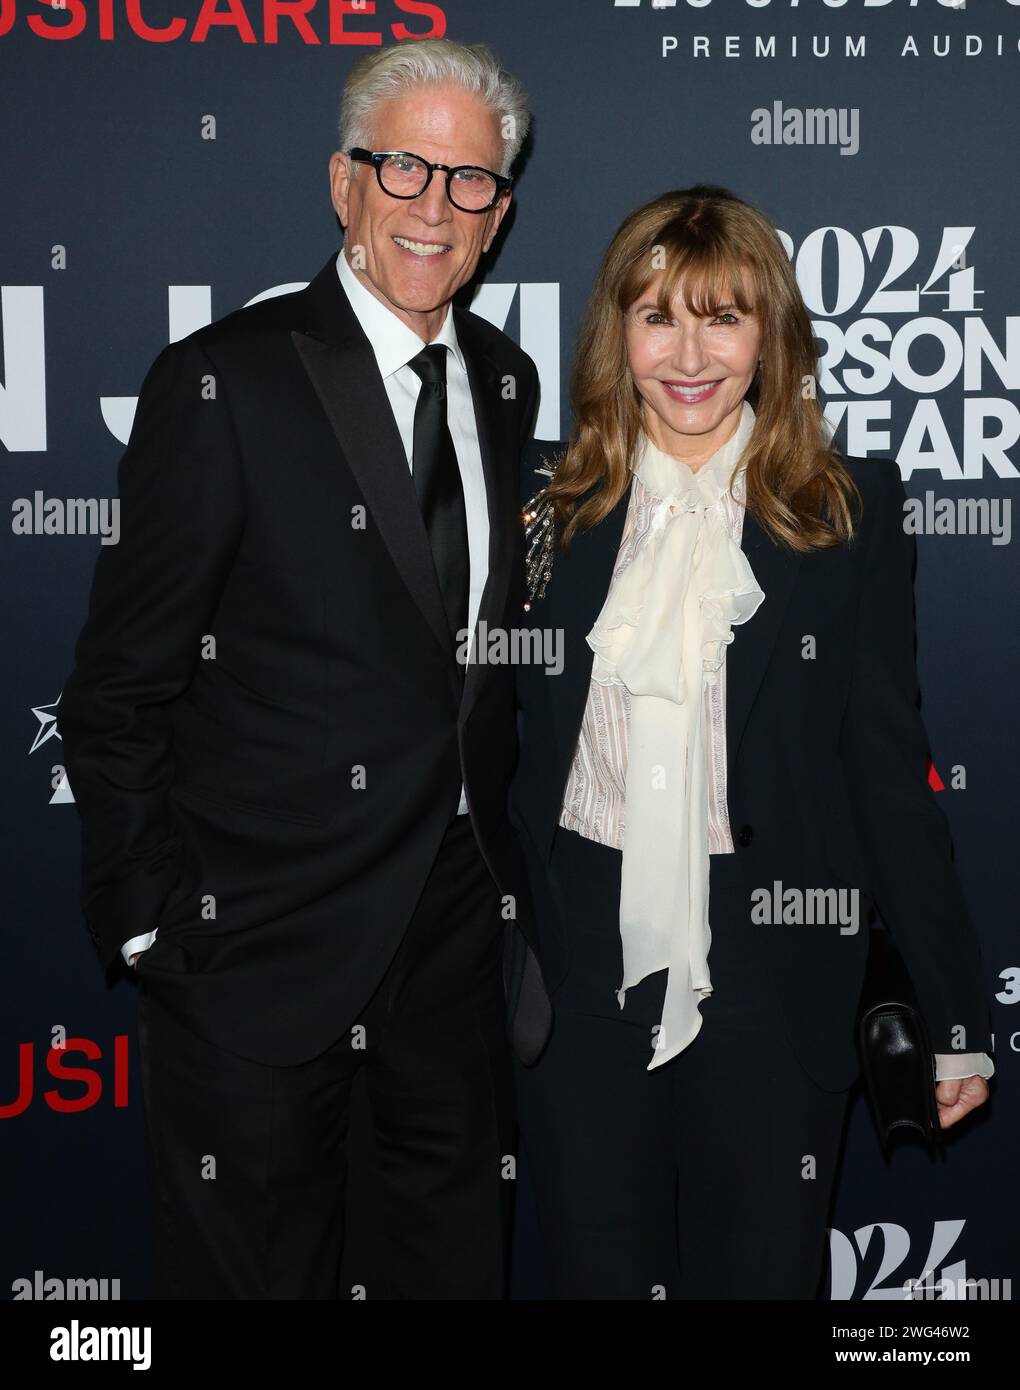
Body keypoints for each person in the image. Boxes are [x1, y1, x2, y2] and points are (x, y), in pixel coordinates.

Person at [58, 37, 550, 1300]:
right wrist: (157, 925)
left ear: (501, 212)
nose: (436, 208)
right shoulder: (224, 381)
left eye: (472, 183)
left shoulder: (504, 379)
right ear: (345, 183)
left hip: (453, 955)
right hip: (255, 958)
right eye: (405, 169)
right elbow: (118, 692)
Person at [510, 186, 993, 1300]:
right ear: (613, 335)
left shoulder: (845, 508)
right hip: (582, 974)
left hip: (779, 975)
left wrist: (957, 1014)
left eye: (723, 317)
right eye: (658, 315)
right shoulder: (544, 500)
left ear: (770, 337)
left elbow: (887, 772)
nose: (690, 353)